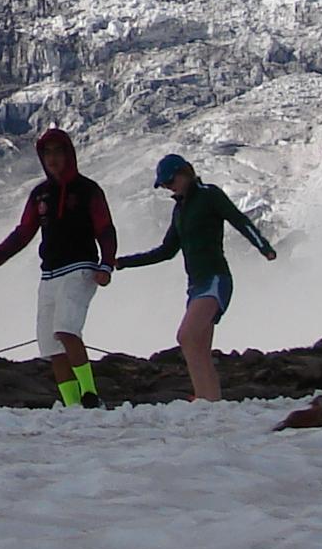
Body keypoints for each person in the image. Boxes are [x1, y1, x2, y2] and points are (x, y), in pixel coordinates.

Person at [0, 127, 116, 407]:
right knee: (51, 346)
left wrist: (106, 264)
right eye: (47, 153)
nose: (53, 158)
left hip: (80, 268)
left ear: (68, 154)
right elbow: (23, 233)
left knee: (66, 330)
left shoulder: (88, 190)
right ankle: (73, 404)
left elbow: (105, 228)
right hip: (49, 275)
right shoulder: (40, 195)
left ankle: (90, 394)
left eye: (58, 152)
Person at [113, 154, 276, 402]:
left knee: (187, 336)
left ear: (186, 172)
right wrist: (123, 262)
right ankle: (211, 400)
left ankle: (203, 399)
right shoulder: (179, 210)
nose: (171, 186)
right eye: (166, 185)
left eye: (172, 180)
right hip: (196, 285)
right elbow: (166, 251)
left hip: (215, 279)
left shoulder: (209, 194)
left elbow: (238, 219)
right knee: (198, 345)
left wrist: (263, 246)